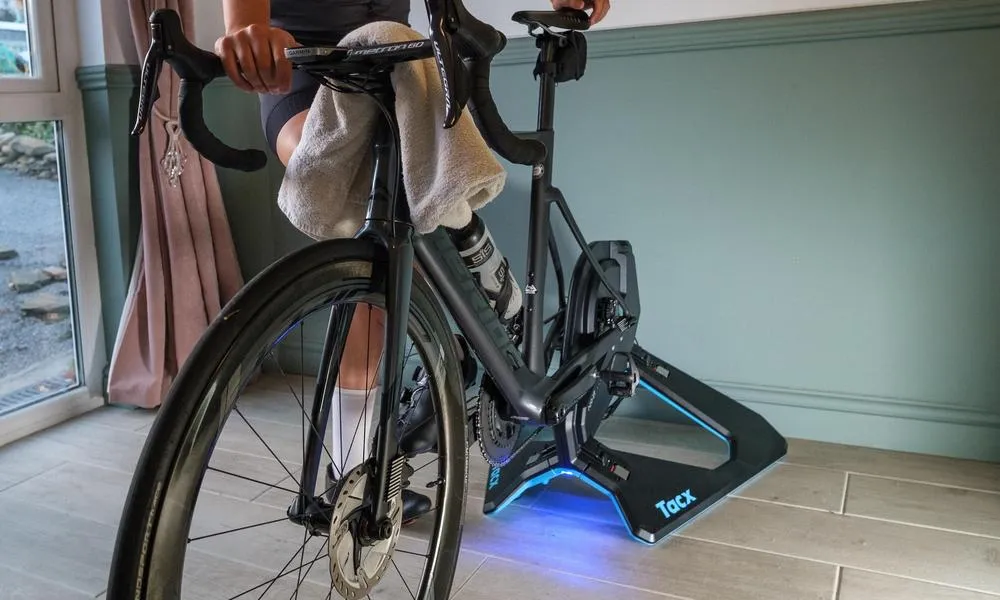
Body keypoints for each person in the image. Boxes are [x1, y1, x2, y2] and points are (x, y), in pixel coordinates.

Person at [214, 0, 611, 521]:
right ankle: (471, 256)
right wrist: (245, 34)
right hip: (308, 79)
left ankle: (370, 456)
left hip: (401, 70)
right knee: (371, 257)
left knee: (385, 278)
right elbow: (244, 19)